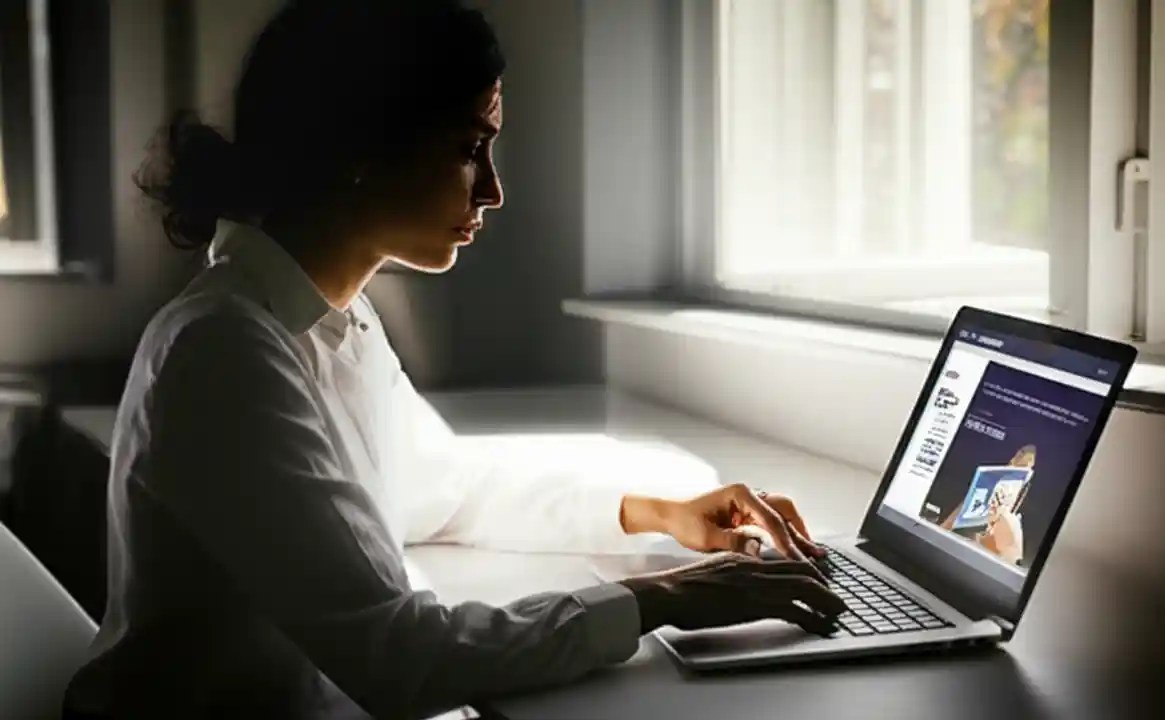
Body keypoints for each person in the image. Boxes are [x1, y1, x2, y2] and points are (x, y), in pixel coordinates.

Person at [61, 2, 845, 718]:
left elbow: (446, 490)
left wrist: (658, 512)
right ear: (361, 146)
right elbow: (398, 656)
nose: (494, 190)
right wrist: (663, 599)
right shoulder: (224, 350)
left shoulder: (332, 320)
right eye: (472, 148)